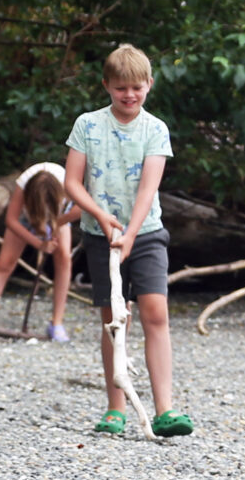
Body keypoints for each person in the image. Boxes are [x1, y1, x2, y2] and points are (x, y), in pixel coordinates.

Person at [62, 43, 192, 437]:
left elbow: (148, 190)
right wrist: (99, 216)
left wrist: (132, 233)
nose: (129, 95)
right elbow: (72, 182)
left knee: (155, 313)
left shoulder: (155, 129)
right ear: (107, 86)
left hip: (147, 232)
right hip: (99, 236)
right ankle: (114, 408)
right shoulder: (87, 124)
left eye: (136, 87)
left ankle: (165, 409)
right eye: (121, 88)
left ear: (149, 85)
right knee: (112, 321)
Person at [0, 163, 75, 340]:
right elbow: (11, 220)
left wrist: (56, 224)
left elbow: (80, 209)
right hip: (26, 216)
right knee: (4, 264)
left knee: (64, 258)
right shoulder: (24, 184)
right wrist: (38, 243)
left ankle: (57, 323)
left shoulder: (68, 185)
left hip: (60, 216)